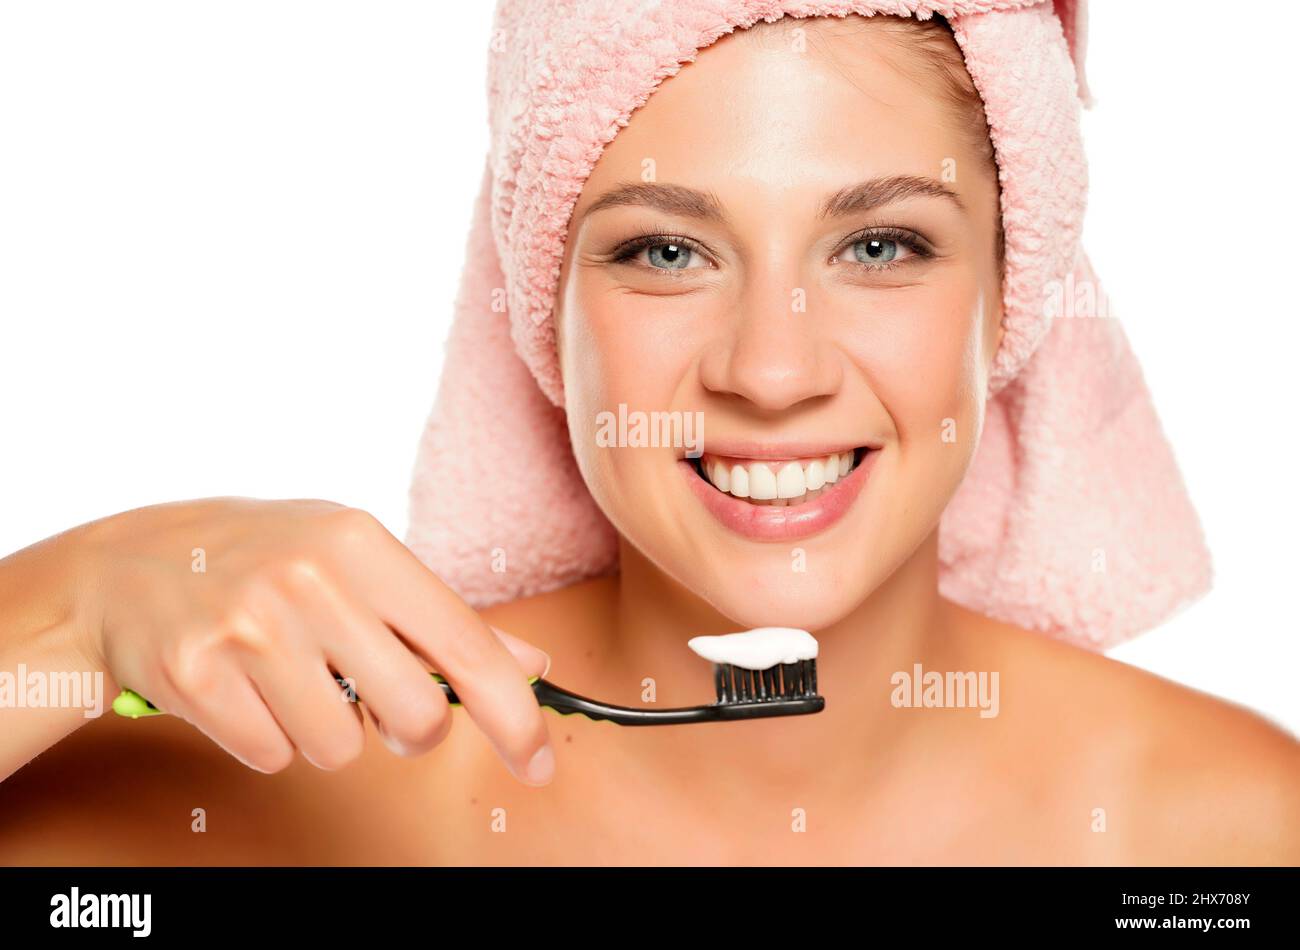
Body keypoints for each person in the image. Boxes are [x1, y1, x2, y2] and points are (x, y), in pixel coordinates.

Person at [1, 11, 1296, 866]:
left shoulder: (1229, 837)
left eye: (881, 244)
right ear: (536, 313)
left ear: (1012, 297)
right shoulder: (277, 798)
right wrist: (59, 611)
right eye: (664, 250)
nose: (771, 371)